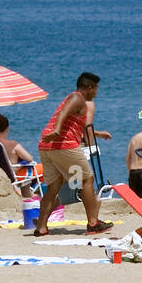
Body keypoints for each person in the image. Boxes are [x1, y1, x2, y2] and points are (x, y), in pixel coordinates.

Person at [33, 72, 112, 236]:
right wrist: (56, 130)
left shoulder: (76, 100)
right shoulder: (78, 98)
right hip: (62, 144)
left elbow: (76, 126)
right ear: (89, 87)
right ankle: (93, 222)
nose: (97, 92)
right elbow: (63, 114)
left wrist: (98, 134)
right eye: (96, 88)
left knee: (53, 186)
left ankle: (41, 227)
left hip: (46, 145)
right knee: (87, 179)